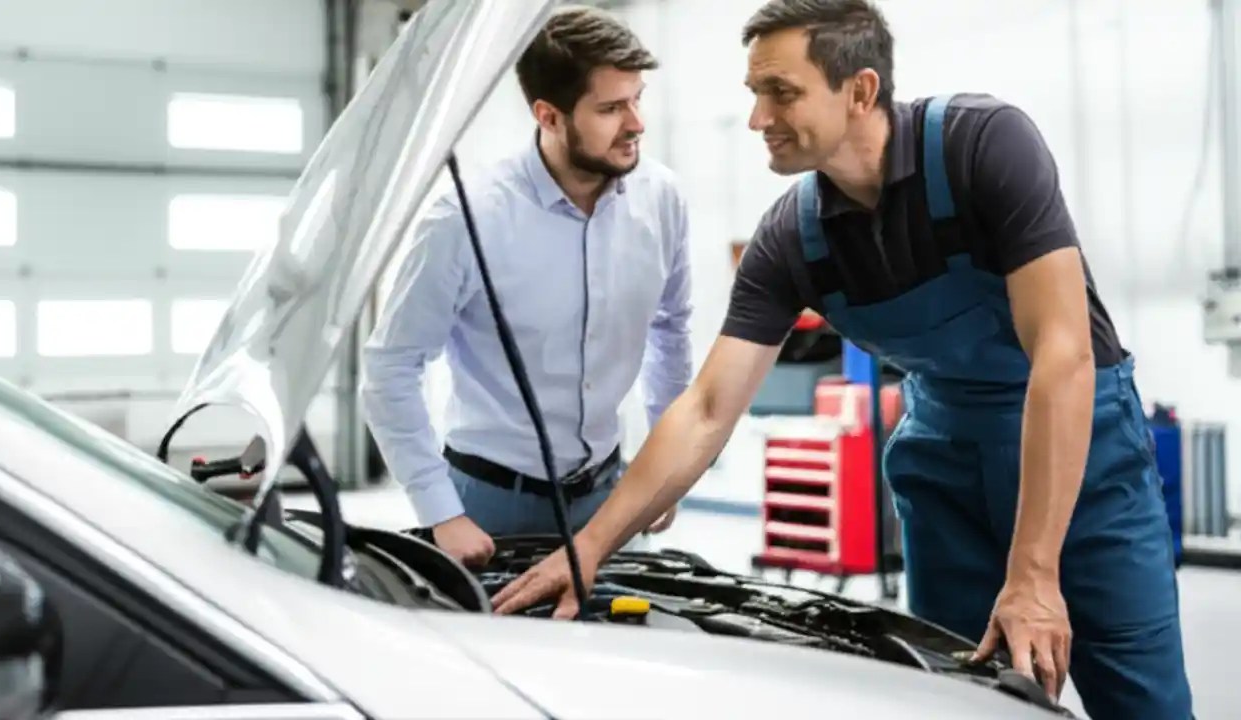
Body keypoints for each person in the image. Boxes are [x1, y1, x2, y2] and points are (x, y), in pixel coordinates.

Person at [490, 2, 1193, 719]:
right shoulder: (789, 241)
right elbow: (706, 409)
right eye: (754, 94)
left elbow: (1063, 355)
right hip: (947, 466)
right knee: (955, 699)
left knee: (1143, 703)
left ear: (859, 91)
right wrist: (590, 549)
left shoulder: (984, 146)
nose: (759, 118)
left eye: (782, 93)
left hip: (1082, 453)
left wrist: (1035, 573)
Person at [361, 5, 691, 568]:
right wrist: (442, 512)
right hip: (487, 509)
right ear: (549, 115)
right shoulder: (464, 219)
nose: (635, 122)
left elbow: (671, 329)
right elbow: (390, 366)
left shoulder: (661, 199)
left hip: (610, 499)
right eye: (611, 108)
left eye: (636, 98)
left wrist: (668, 463)